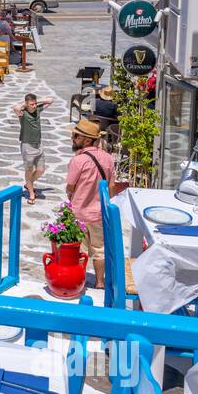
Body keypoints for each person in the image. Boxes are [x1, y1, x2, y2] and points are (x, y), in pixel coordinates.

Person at [66, 117, 115, 288]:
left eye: (76, 136)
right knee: (99, 250)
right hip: (99, 214)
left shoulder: (77, 161)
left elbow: (70, 187)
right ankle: (100, 283)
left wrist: (72, 196)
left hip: (79, 213)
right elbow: (112, 187)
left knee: (80, 250)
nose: (73, 139)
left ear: (87, 140)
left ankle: (78, 282)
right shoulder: (109, 159)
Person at [13, 92, 53, 204]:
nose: (34, 106)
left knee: (41, 170)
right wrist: (25, 105)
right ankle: (31, 192)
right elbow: (15, 108)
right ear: (26, 104)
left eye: (35, 104)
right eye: (32, 104)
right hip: (28, 146)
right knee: (29, 170)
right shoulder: (23, 114)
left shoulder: (38, 110)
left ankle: (28, 183)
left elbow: (50, 100)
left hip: (38, 144)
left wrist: (37, 101)